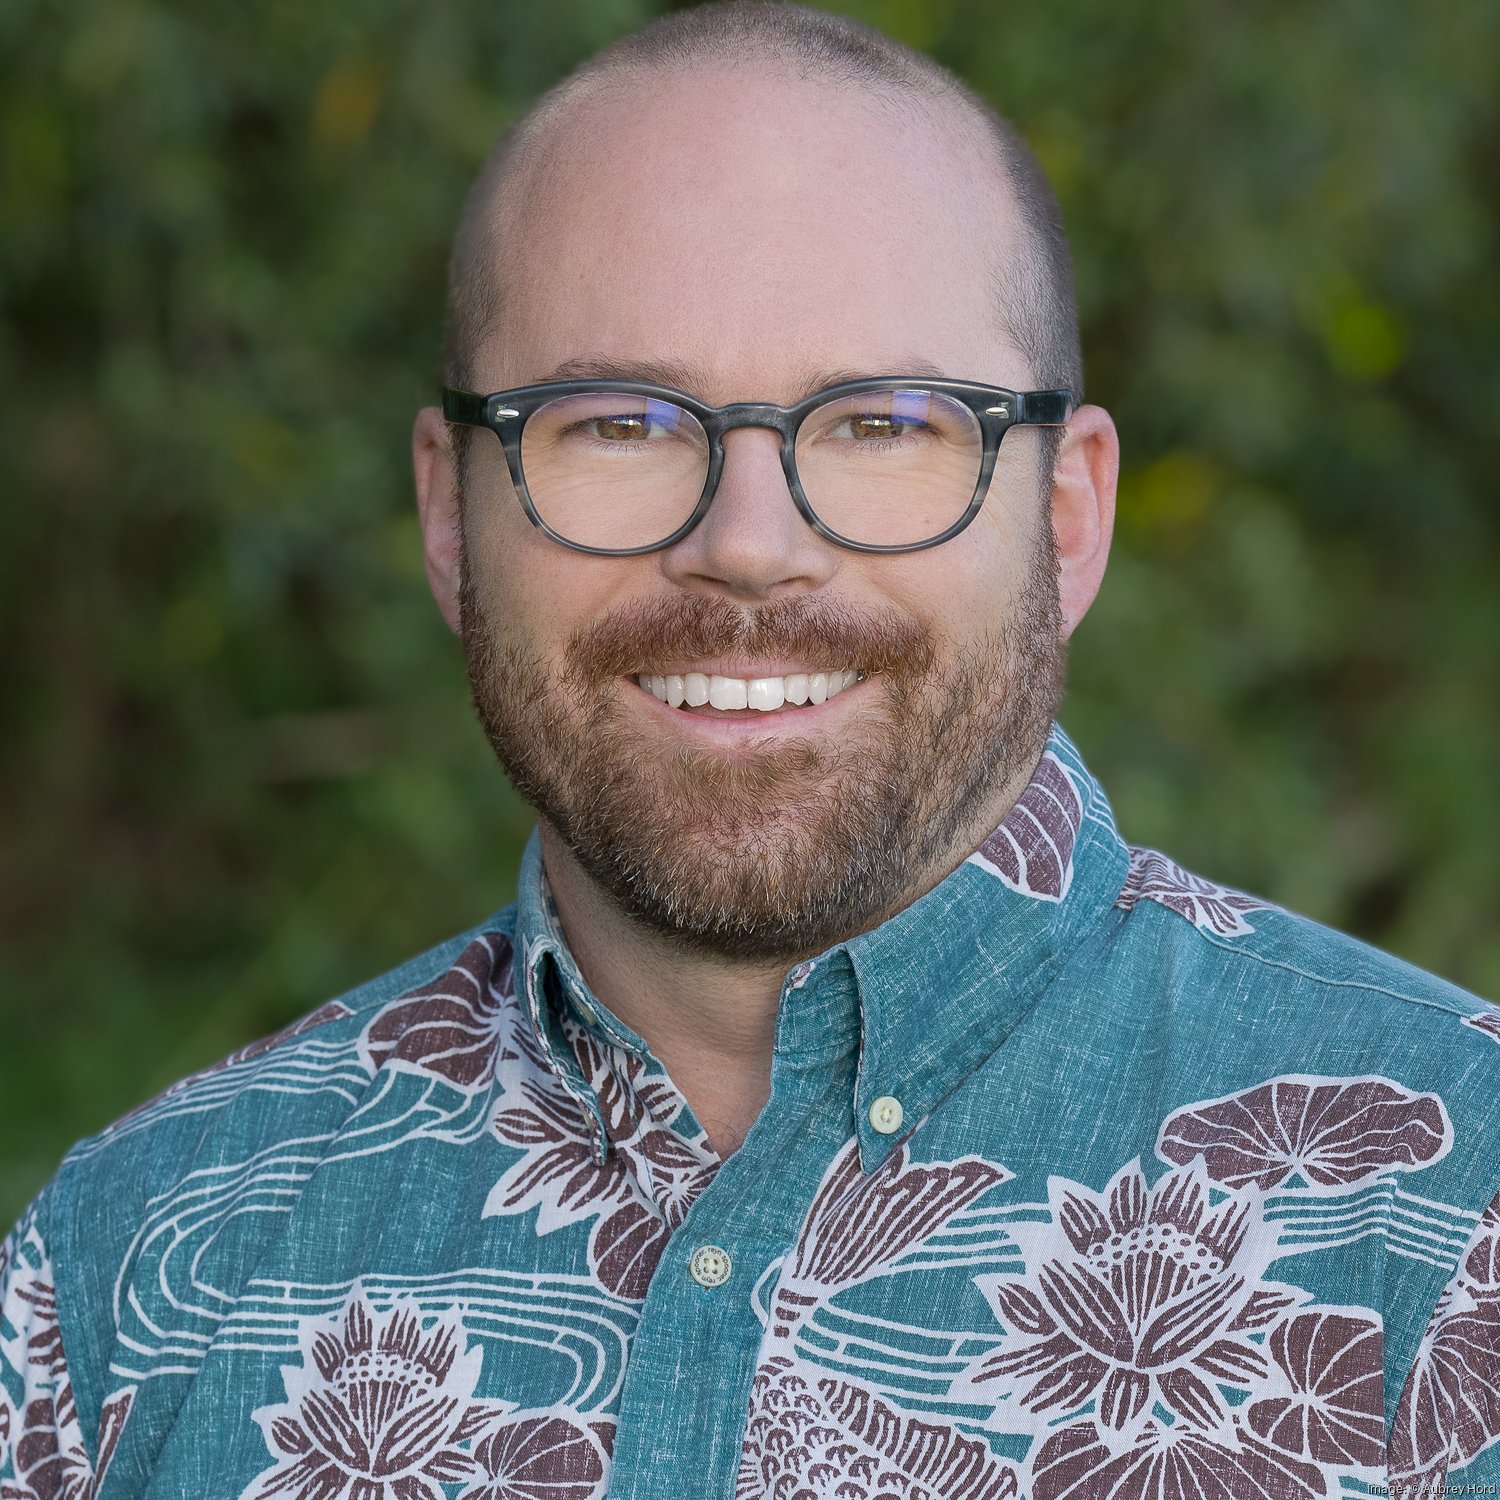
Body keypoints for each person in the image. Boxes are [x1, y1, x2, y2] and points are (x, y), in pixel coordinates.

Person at [4, 4, 1497, 1496]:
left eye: (885, 423)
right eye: (620, 424)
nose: (747, 545)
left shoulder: (1462, 1225)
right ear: (451, 516)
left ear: (1068, 516)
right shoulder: (121, 1288)